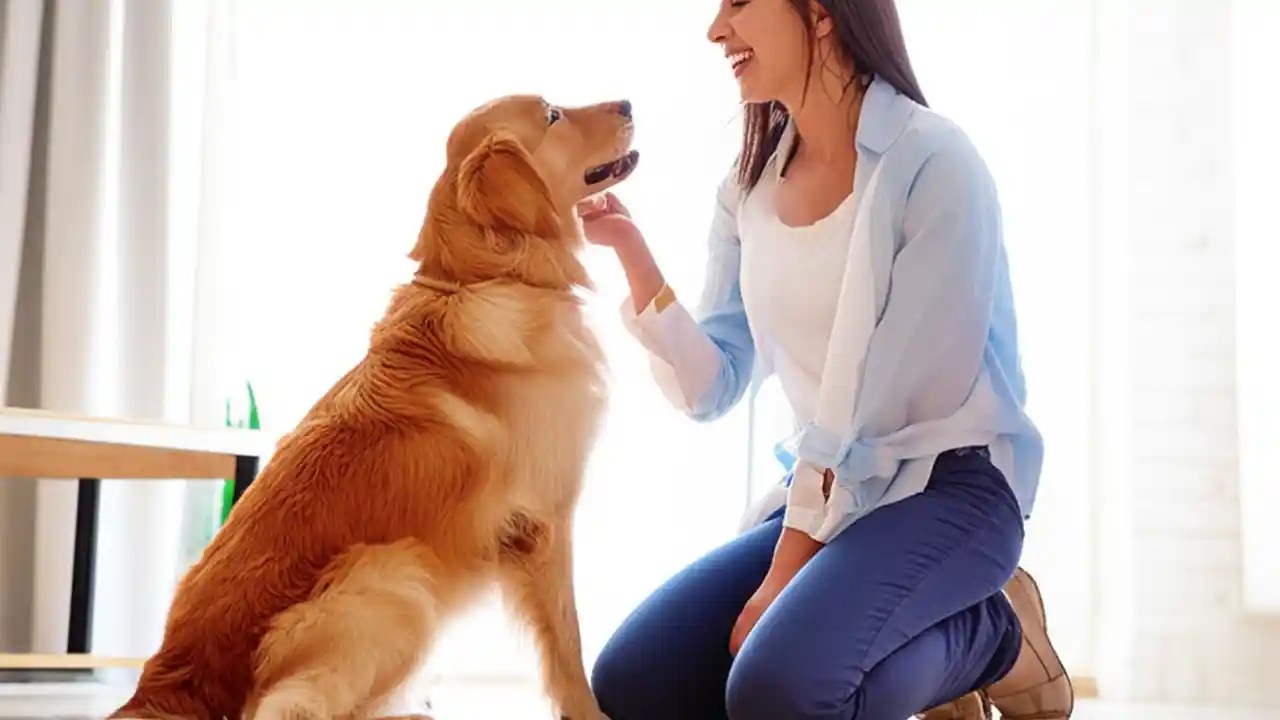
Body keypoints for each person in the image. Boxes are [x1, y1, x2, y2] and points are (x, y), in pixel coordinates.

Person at [577, 1, 1075, 719]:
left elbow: (876, 403)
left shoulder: (935, 163)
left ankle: (993, 632)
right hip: (834, 503)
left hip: (951, 492)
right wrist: (634, 258)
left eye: (740, 4)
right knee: (635, 681)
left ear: (820, 13)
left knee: (777, 693)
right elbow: (714, 385)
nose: (717, 29)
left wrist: (786, 571)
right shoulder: (747, 188)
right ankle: (917, 644)